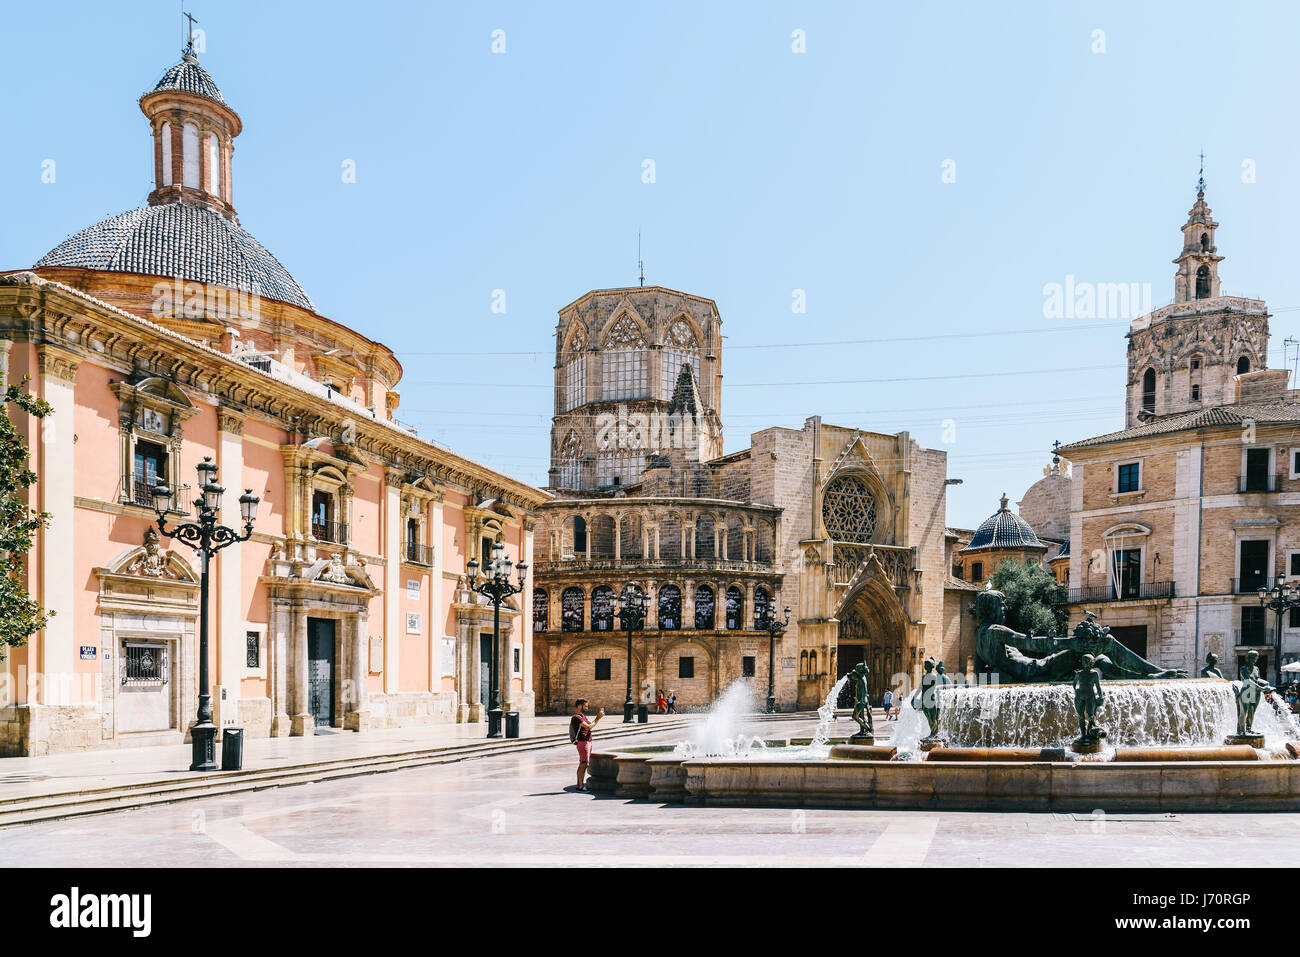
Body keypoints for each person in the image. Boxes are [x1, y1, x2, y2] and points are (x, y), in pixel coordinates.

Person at [569, 699, 603, 792]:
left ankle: (579, 784)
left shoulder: (583, 716)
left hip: (587, 742)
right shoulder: (576, 717)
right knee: (584, 763)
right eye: (586, 706)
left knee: (583, 763)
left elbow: (591, 724)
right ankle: (580, 786)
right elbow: (588, 727)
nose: (587, 708)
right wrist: (598, 718)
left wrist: (598, 717)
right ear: (579, 706)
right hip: (583, 742)